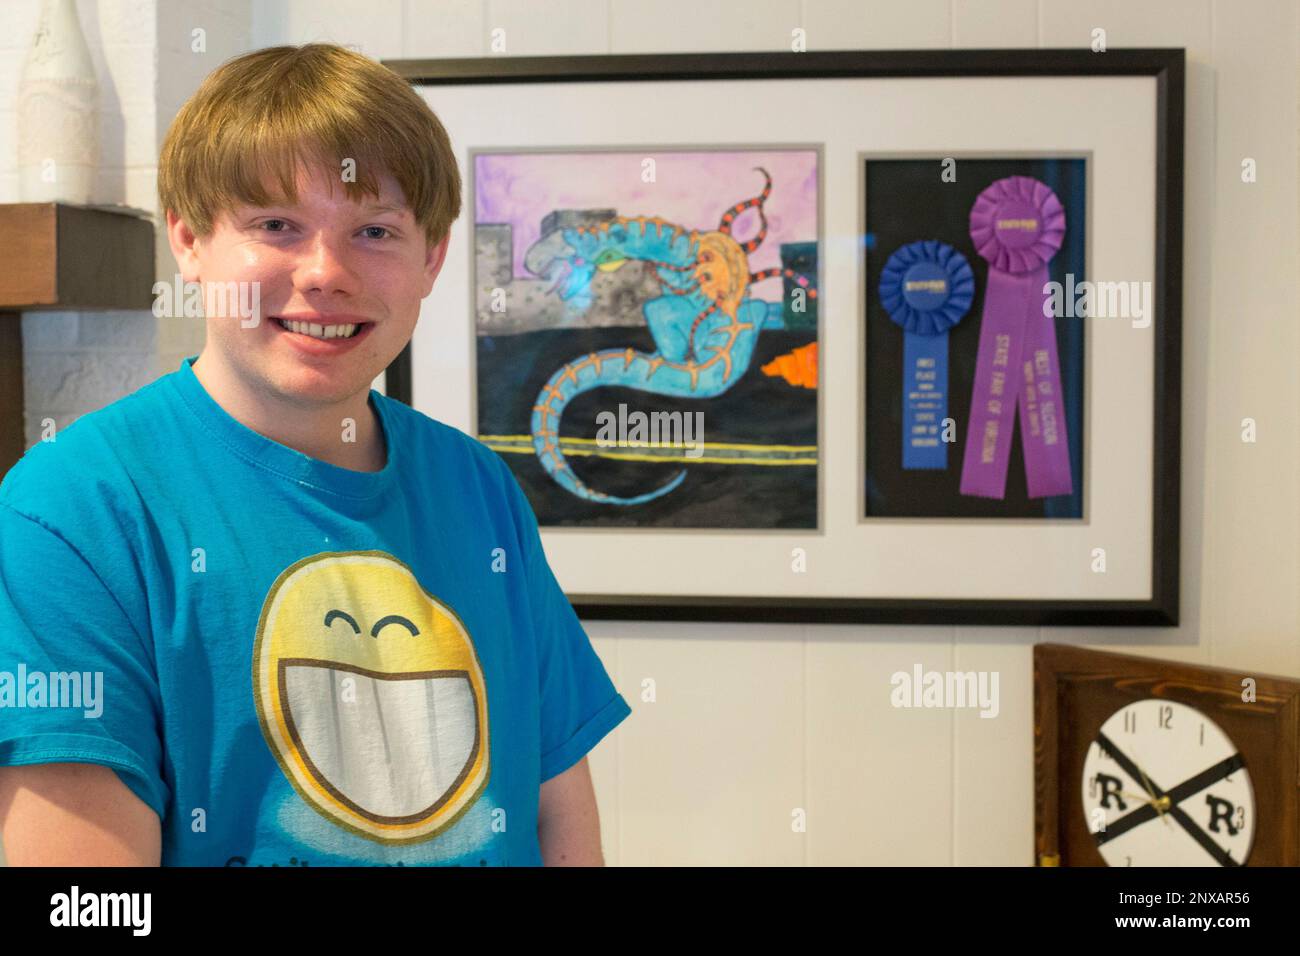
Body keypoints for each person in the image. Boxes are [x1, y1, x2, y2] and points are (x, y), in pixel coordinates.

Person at [0, 43, 631, 866]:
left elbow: (559, 817)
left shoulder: (480, 487)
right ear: (190, 243)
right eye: (276, 226)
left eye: (374, 230)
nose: (326, 273)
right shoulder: (72, 510)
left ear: (432, 257)